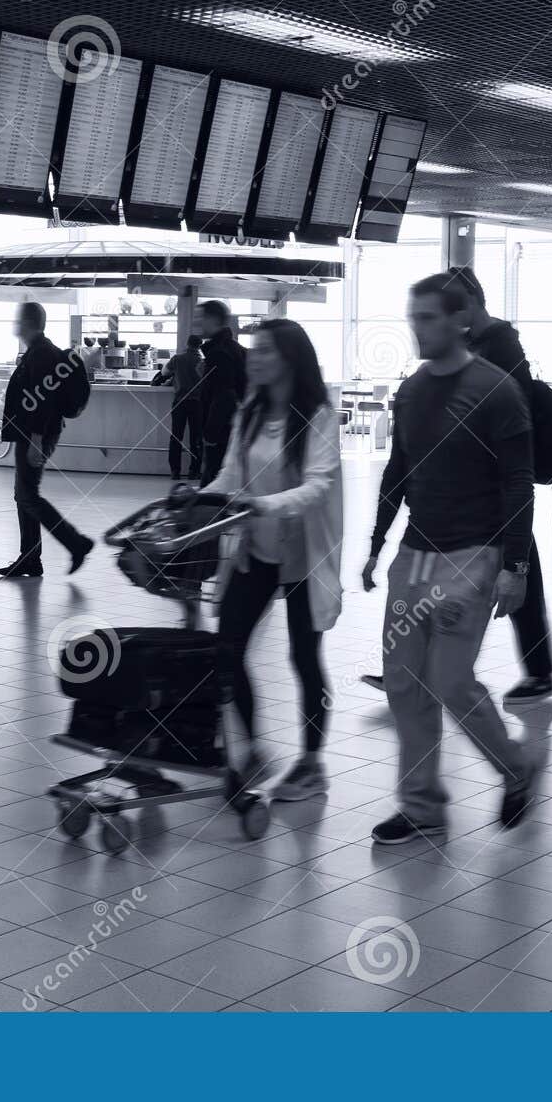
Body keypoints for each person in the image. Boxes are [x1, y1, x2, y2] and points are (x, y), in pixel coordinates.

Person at [363, 273, 536, 845]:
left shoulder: (495, 390)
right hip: (415, 554)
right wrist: (376, 544)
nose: (418, 327)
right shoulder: (412, 392)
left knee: (450, 679)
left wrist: (515, 567)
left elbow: (518, 483)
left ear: (461, 320)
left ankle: (516, 767)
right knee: (403, 683)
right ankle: (422, 806)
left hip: (473, 554)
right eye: (413, 317)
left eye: (429, 317)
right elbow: (398, 470)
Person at [202, 320, 342, 801]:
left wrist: (264, 504)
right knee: (227, 648)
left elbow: (318, 484)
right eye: (253, 350)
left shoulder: (318, 416)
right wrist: (200, 499)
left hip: (302, 553)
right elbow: (229, 474)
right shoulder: (251, 411)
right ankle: (252, 750)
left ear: (290, 358)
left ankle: (311, 765)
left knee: (303, 656)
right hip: (254, 549)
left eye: (264, 351)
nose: (254, 358)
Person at [447, 268, 552, 703]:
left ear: (474, 300)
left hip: (499, 480)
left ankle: (539, 671)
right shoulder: (477, 344)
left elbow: (501, 411)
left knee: (515, 567)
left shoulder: (501, 346)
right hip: (479, 480)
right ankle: (419, 664)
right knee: (487, 567)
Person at [0, 301, 94, 579]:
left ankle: (76, 543)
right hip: (32, 433)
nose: (15, 325)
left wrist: (36, 440)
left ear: (28, 323)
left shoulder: (41, 354)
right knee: (24, 495)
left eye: (18, 320)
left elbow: (42, 401)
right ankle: (30, 559)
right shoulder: (39, 351)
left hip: (36, 434)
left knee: (27, 495)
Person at [196, 301, 247, 486]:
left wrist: (210, 434)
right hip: (232, 430)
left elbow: (224, 395)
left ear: (213, 319)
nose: (196, 322)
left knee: (214, 485)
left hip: (222, 433)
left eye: (200, 317)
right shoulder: (234, 348)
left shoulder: (218, 353)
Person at [152, 334, 204, 480]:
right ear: (200, 346)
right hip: (197, 403)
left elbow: (164, 373)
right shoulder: (202, 362)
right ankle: (194, 471)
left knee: (176, 437)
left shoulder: (177, 359)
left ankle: (175, 471)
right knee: (196, 438)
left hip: (180, 402)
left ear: (187, 344)